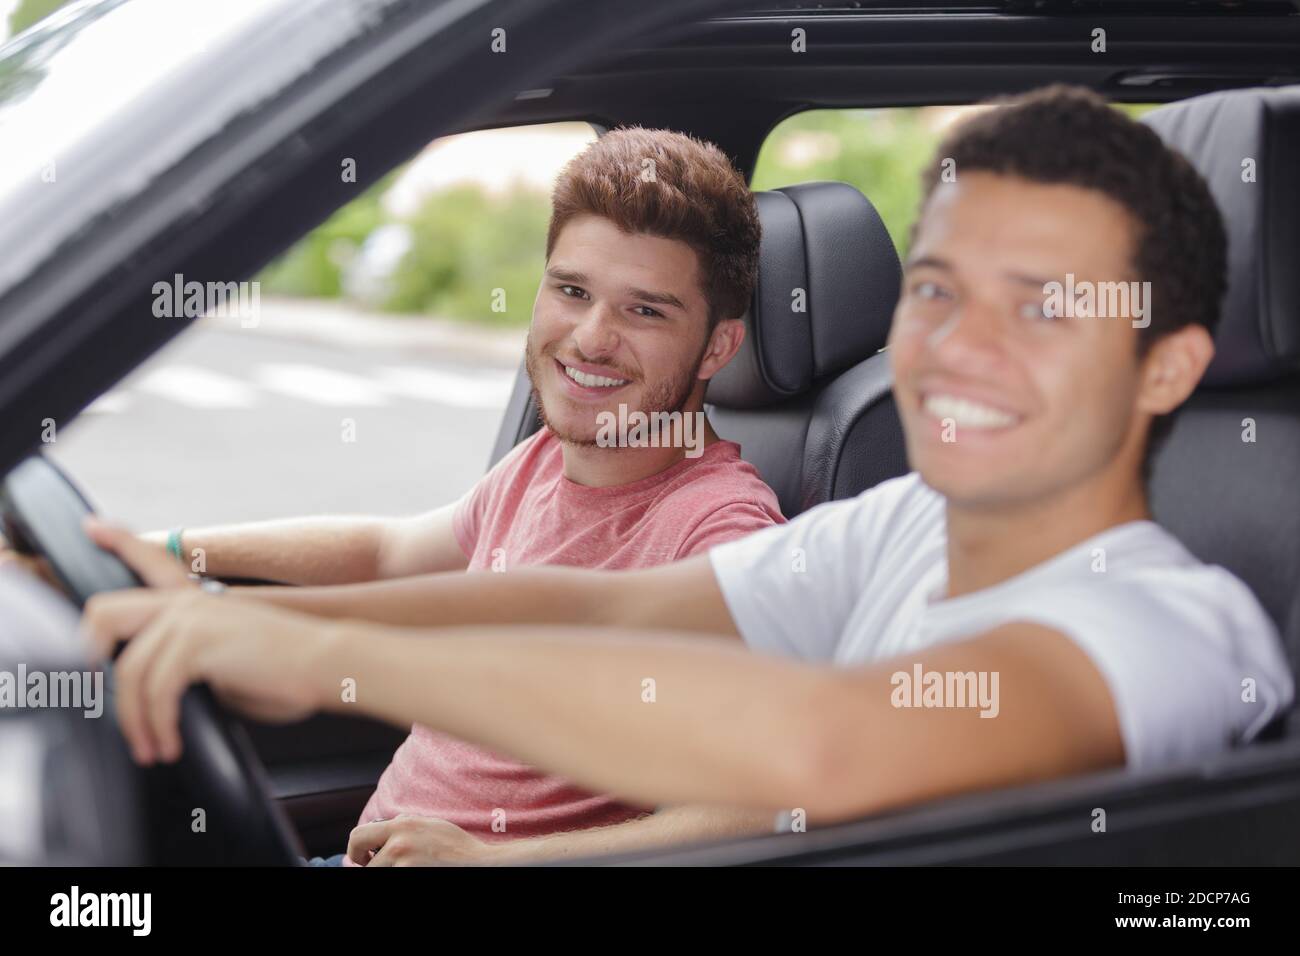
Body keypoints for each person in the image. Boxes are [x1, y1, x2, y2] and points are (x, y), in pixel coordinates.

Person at [78, 85, 1293, 861]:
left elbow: (833, 751)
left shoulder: (1174, 627)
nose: (958, 346)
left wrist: (323, 659)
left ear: (1167, 367)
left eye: (1042, 306)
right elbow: (589, 604)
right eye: (936, 288)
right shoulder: (906, 522)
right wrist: (231, 608)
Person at [41, 127, 787, 864]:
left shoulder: (723, 530)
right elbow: (387, 550)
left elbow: (761, 804)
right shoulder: (543, 463)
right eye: (571, 291)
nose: (591, 337)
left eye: (644, 310)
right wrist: (165, 548)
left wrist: (491, 862)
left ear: (719, 347)